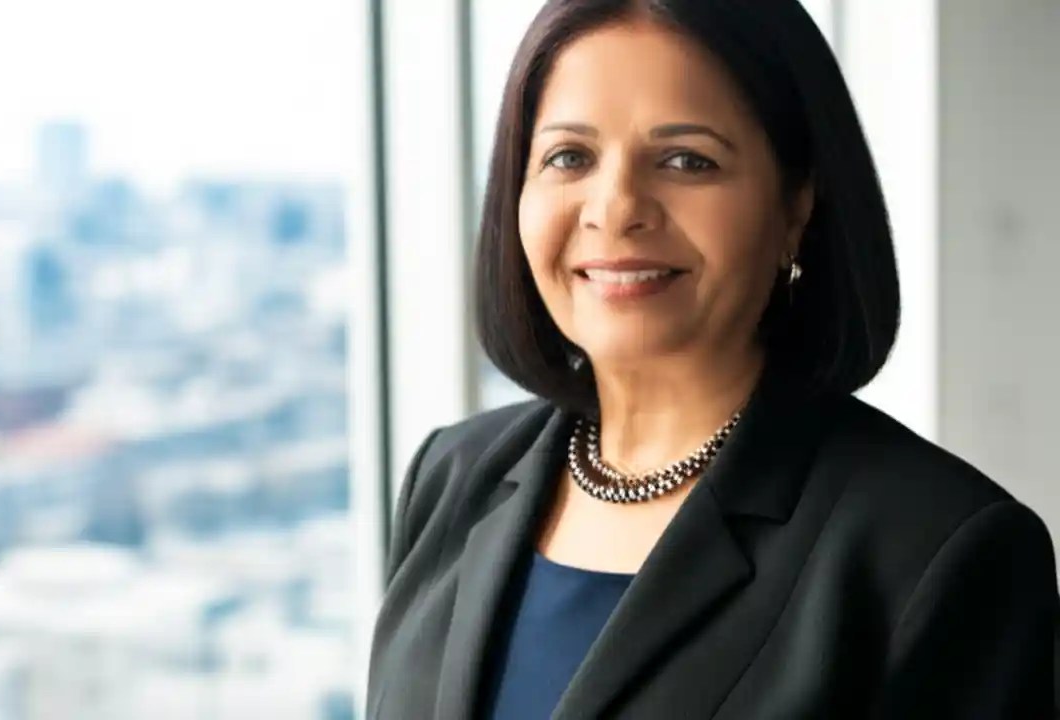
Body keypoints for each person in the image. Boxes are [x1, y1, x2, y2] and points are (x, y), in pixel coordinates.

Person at [364, 0, 1058, 718]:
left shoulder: (937, 550)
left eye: (686, 160)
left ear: (797, 207)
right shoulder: (450, 479)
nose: (617, 207)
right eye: (569, 157)